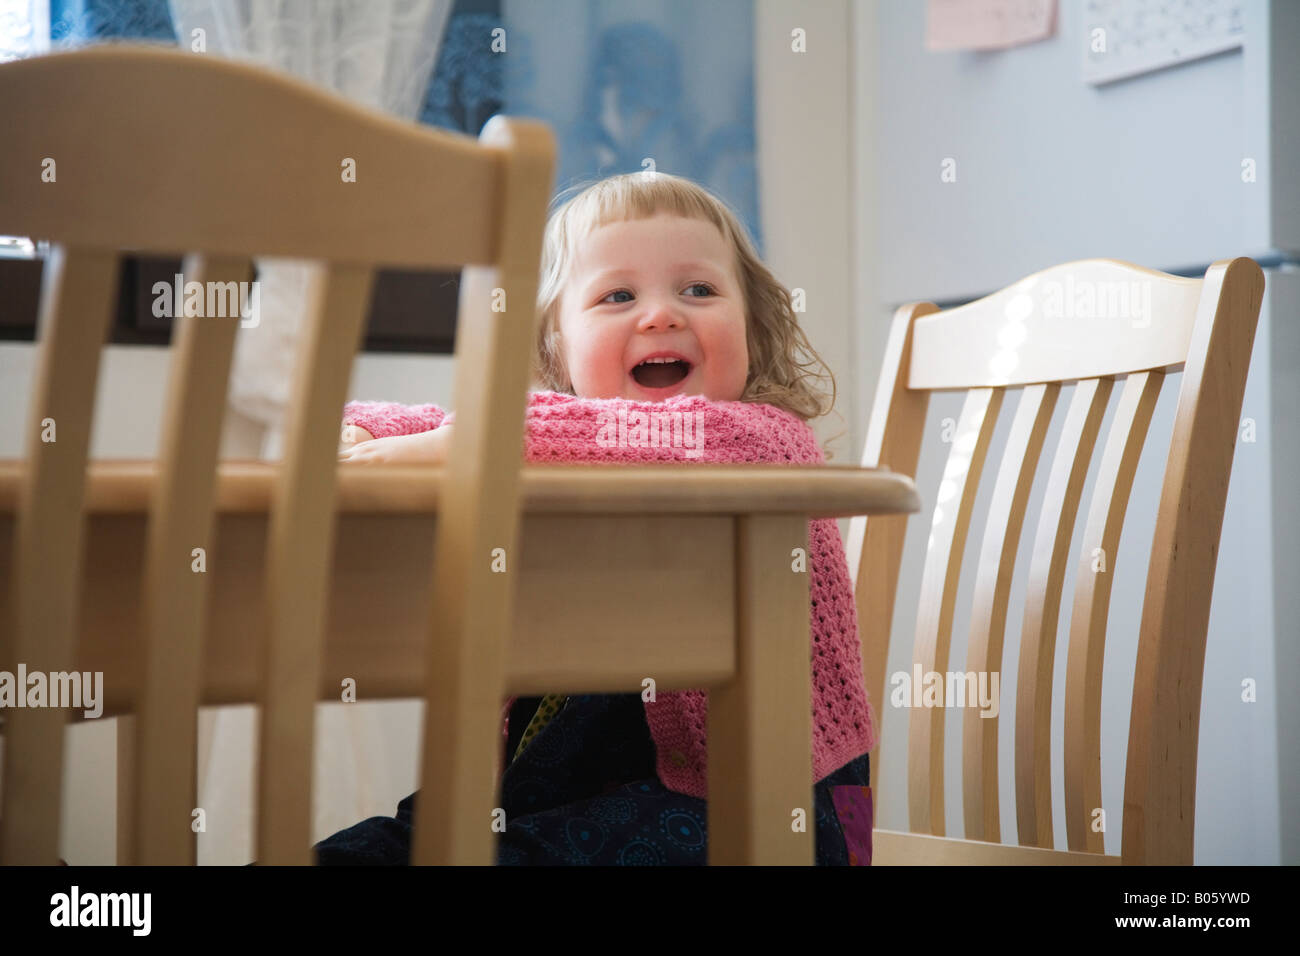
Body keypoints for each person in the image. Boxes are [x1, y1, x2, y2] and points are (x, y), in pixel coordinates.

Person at [323, 171, 876, 865]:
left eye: (699, 290)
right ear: (555, 347)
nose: (661, 315)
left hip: (771, 809)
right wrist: (365, 431)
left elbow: (625, 433)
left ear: (752, 323)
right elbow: (461, 421)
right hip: (571, 791)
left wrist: (467, 442)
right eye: (618, 296)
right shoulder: (560, 442)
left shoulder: (761, 436)